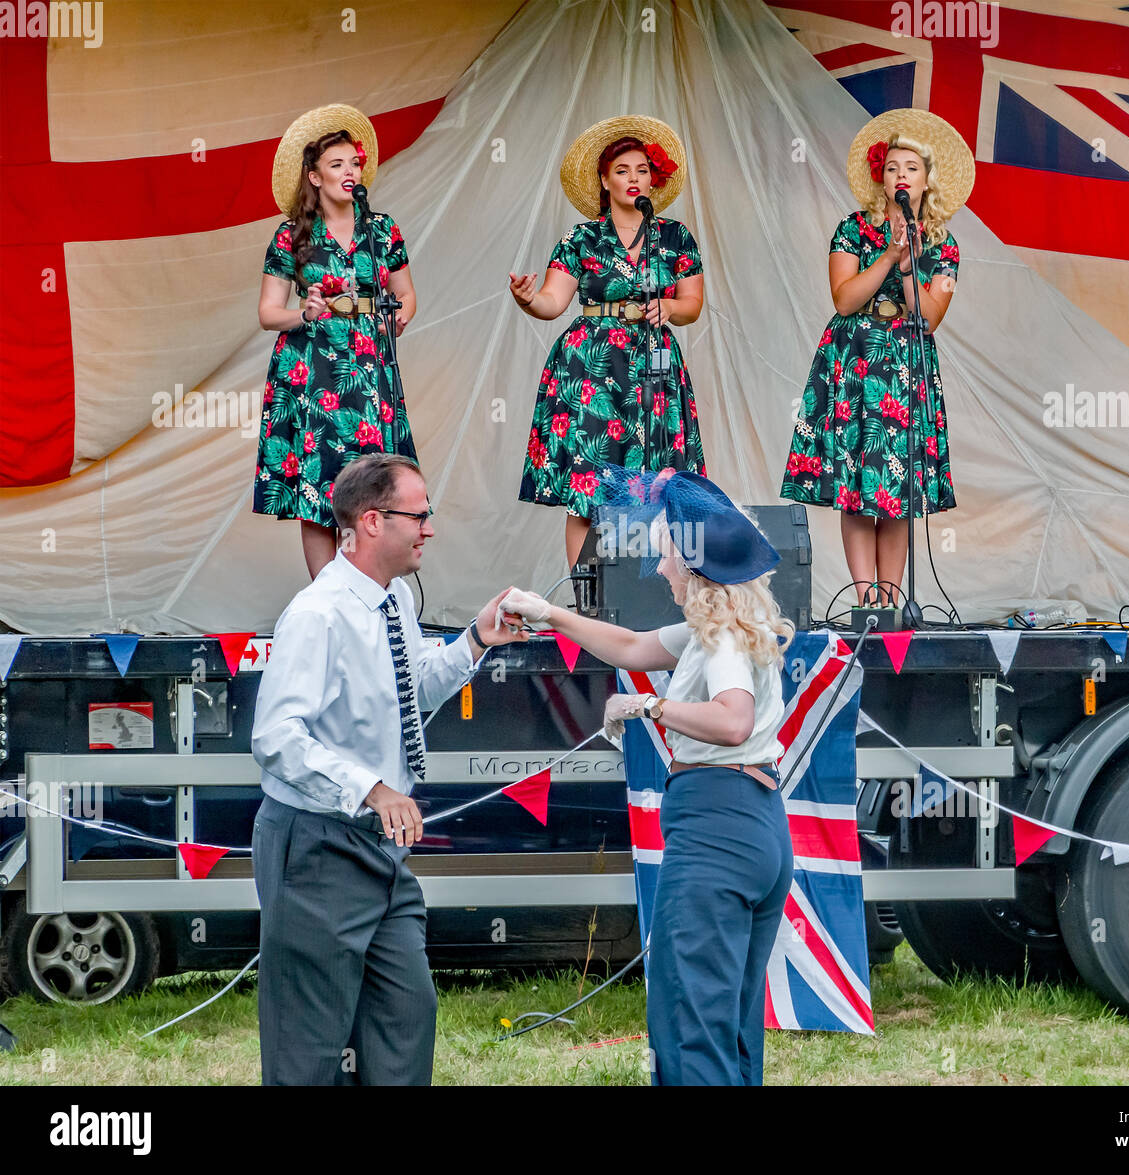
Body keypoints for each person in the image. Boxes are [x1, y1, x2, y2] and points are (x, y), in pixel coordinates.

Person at [499, 468, 796, 1085]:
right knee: (729, 1021)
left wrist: (646, 707)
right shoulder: (722, 628)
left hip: (717, 826)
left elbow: (733, 719)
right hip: (756, 825)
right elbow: (632, 646)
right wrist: (549, 612)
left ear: (692, 564)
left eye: (665, 558)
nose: (659, 570)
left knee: (690, 1020)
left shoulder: (718, 642)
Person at [250, 453, 523, 1085]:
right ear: (372, 522)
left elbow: (413, 687)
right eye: (419, 514)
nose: (429, 527)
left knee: (407, 1012)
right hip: (316, 845)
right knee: (309, 1041)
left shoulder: (392, 598)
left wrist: (476, 641)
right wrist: (371, 790)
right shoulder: (317, 614)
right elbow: (275, 736)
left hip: (379, 850)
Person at [780, 109, 973, 607]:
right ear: (881, 179)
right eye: (891, 167)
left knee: (895, 486)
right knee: (855, 482)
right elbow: (844, 299)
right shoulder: (851, 230)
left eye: (910, 167)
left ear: (927, 181)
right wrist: (887, 256)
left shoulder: (943, 245)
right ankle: (864, 598)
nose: (900, 175)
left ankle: (891, 600)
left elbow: (929, 318)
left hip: (906, 360)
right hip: (854, 358)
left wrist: (910, 268)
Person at [511, 116, 708, 569]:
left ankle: (648, 599)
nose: (633, 178)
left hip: (654, 368)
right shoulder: (581, 238)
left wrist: (670, 310)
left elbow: (692, 304)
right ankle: (588, 602)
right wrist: (527, 299)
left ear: (652, 179)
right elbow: (552, 302)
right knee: (589, 486)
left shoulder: (674, 236)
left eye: (641, 169)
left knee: (657, 481)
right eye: (622, 170)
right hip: (591, 369)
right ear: (604, 179)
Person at [256, 104, 420, 580]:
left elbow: (406, 296)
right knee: (319, 482)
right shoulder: (291, 235)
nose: (350, 172)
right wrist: (302, 312)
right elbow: (267, 313)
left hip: (370, 364)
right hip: (312, 365)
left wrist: (398, 320)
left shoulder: (382, 229)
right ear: (313, 177)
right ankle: (329, 596)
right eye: (336, 165)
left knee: (373, 483)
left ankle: (371, 590)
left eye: (354, 163)